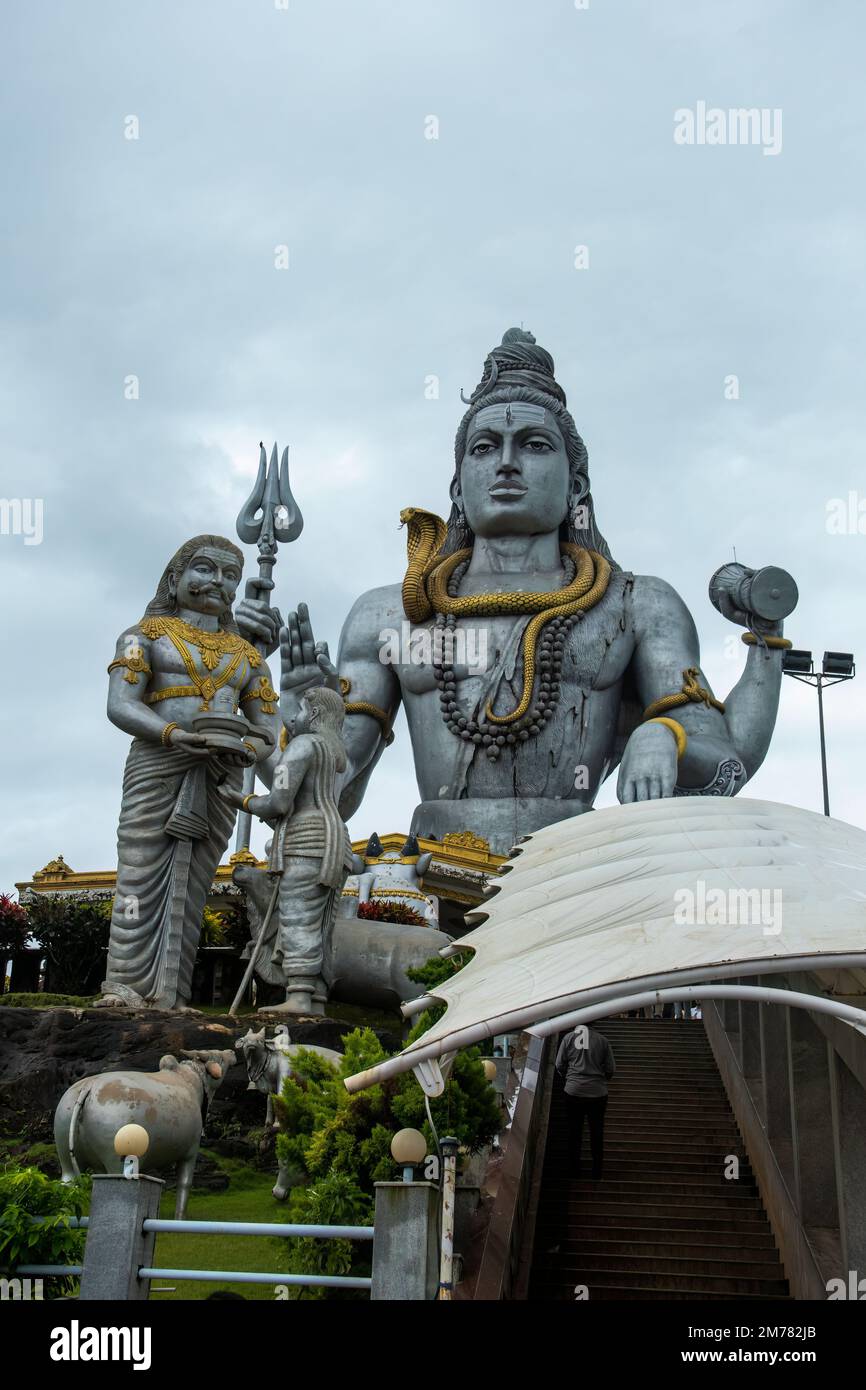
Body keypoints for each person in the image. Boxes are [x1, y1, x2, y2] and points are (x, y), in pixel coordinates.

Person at [555, 1024, 616, 1180]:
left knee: (574, 1132)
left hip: (573, 1092)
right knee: (597, 1132)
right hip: (597, 1093)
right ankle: (597, 1171)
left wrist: (569, 1078)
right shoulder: (603, 1040)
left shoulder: (568, 1038)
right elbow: (610, 1069)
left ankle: (574, 1170)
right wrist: (601, 1079)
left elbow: (559, 1064)